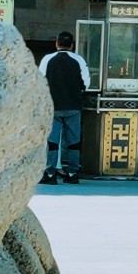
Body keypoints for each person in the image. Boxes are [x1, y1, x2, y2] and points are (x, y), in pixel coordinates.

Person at [39, 31, 93, 184]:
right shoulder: (79, 60)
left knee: (52, 140)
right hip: (73, 106)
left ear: (56, 44)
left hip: (53, 107)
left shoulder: (47, 59)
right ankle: (72, 174)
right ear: (72, 45)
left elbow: (39, 81)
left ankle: (50, 174)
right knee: (74, 141)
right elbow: (86, 83)